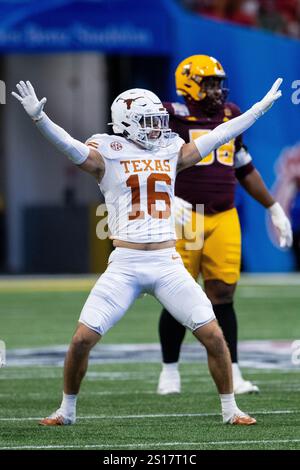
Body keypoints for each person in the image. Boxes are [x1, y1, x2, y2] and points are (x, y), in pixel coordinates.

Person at [12, 78, 282, 426]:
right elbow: (70, 148)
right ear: (125, 122)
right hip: (125, 263)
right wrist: (40, 119)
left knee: (213, 335)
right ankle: (67, 410)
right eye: (148, 121)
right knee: (81, 340)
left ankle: (231, 409)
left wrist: (257, 110)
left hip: (166, 261)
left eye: (158, 119)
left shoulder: (169, 149)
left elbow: (220, 134)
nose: (158, 128)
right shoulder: (108, 151)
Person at [157, 55, 293, 395]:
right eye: (209, 83)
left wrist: (273, 206)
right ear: (188, 82)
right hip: (184, 216)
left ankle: (232, 372)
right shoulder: (168, 115)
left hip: (223, 215)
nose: (216, 90)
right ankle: (169, 370)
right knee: (177, 294)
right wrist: (163, 198)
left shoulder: (230, 113)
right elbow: (142, 160)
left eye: (218, 83)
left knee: (223, 295)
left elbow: (243, 166)